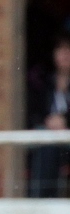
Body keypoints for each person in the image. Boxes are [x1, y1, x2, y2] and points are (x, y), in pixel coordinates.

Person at [26, 30, 70, 198]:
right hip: (46, 136)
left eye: (69, 49)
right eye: (61, 49)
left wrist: (64, 120)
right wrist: (48, 122)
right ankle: (40, 201)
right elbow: (32, 112)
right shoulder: (43, 82)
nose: (65, 54)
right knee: (46, 144)